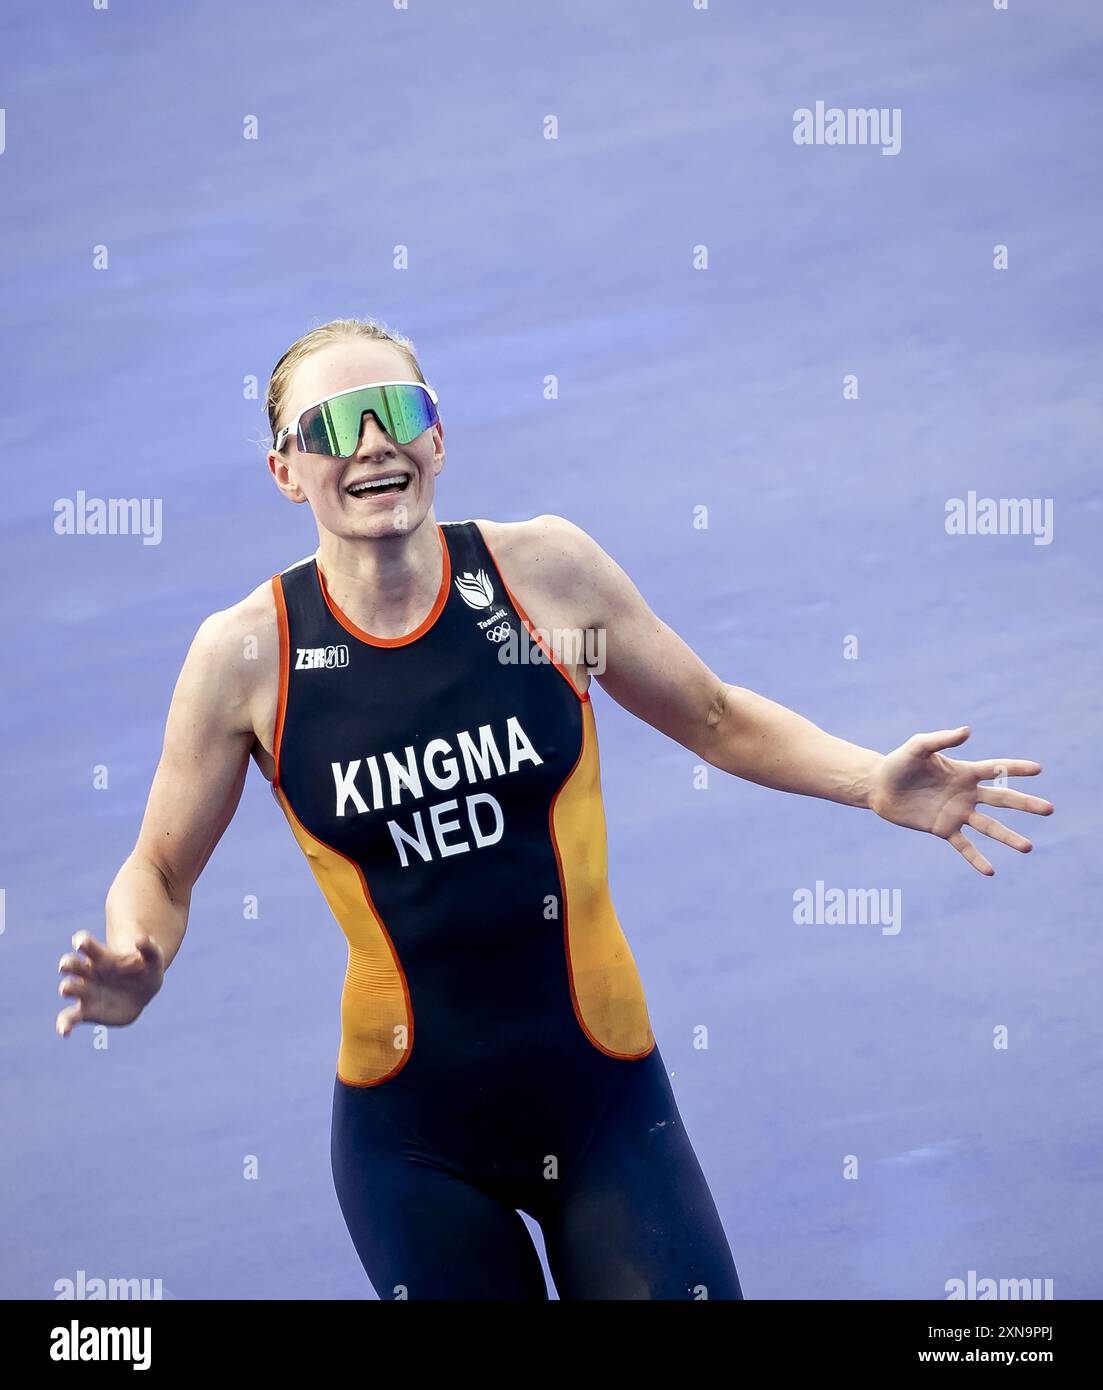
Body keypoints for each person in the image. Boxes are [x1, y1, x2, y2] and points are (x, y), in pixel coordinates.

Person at [55, 318, 1053, 1300]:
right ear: (285, 470)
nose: (371, 443)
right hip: (411, 1142)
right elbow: (160, 868)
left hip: (601, 1102)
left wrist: (869, 777)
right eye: (333, 425)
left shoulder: (539, 577)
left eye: (397, 410)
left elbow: (710, 715)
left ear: (436, 438)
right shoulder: (247, 657)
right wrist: (139, 956)